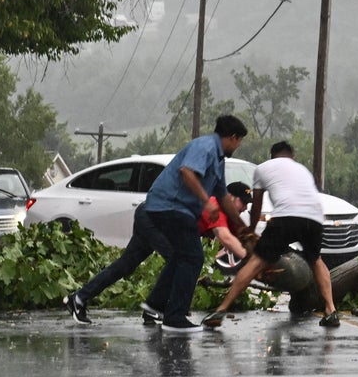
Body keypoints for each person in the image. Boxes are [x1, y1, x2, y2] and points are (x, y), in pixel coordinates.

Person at [65, 115, 249, 333]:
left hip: (156, 212)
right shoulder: (205, 146)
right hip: (167, 209)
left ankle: (80, 297)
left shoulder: (218, 160)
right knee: (187, 257)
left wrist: (244, 229)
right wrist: (205, 203)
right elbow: (187, 172)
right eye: (239, 142)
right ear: (233, 137)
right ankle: (170, 314)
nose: (238, 146)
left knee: (129, 263)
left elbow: (224, 197)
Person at [201, 140, 340, 328]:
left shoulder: (263, 168)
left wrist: (250, 231)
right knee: (316, 260)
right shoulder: (302, 170)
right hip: (314, 218)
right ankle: (331, 310)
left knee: (256, 262)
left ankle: (221, 309)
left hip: (286, 217)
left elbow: (256, 203)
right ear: (292, 156)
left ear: (272, 155)